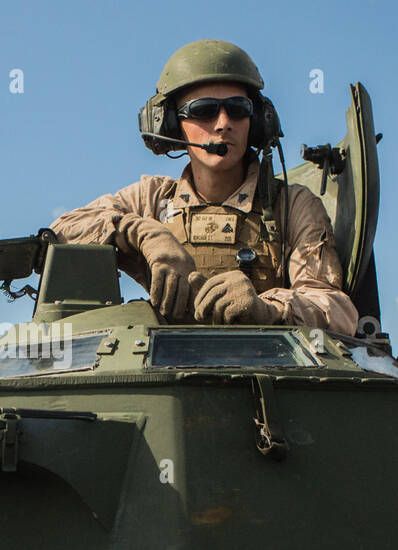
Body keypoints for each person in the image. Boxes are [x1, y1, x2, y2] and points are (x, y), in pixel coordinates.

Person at [49, 40, 359, 335]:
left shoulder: (291, 205)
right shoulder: (154, 200)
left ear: (258, 120)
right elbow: (60, 232)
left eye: (238, 109)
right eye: (203, 110)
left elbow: (336, 309)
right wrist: (142, 232)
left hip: (265, 376)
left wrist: (269, 308)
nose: (223, 123)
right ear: (169, 124)